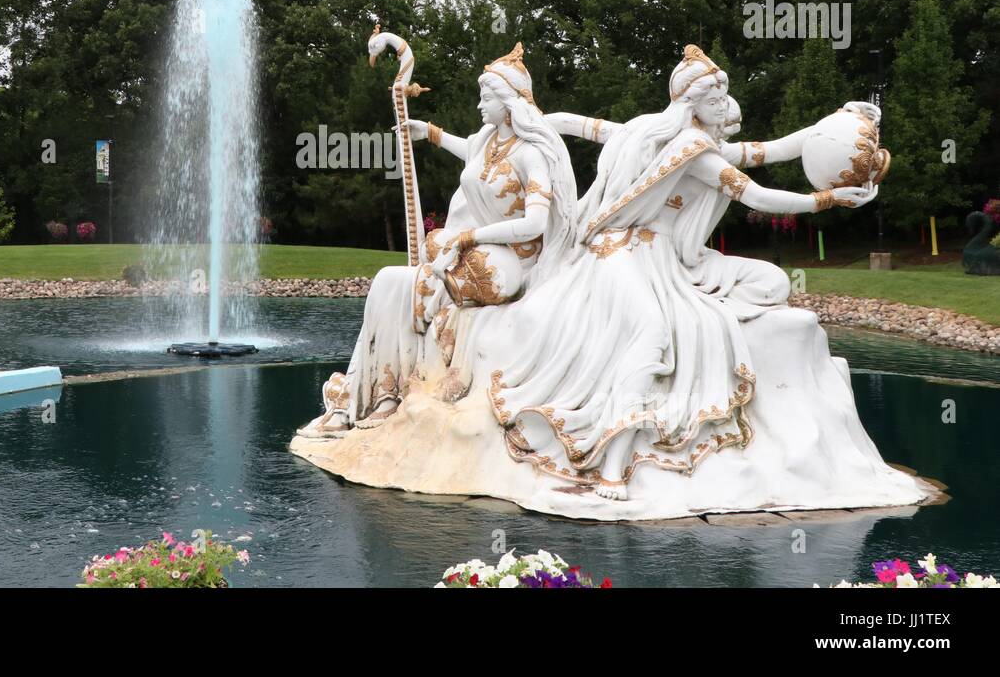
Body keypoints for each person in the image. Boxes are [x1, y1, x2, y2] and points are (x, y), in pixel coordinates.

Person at [482, 46, 877, 499]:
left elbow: (770, 151)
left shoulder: (692, 141)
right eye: (715, 101)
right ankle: (614, 460)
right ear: (691, 105)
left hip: (678, 259)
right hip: (623, 251)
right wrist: (825, 201)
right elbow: (756, 196)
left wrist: (835, 122)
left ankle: (707, 310)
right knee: (652, 331)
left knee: (774, 283)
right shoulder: (684, 147)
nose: (725, 107)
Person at [297, 43, 577, 435]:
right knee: (387, 282)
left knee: (432, 270)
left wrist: (468, 237)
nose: (479, 104)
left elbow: (534, 223)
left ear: (508, 102)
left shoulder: (531, 154)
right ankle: (379, 396)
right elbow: (470, 154)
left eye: (486, 97)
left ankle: (388, 390)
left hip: (510, 263)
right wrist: (429, 132)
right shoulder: (487, 141)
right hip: (475, 250)